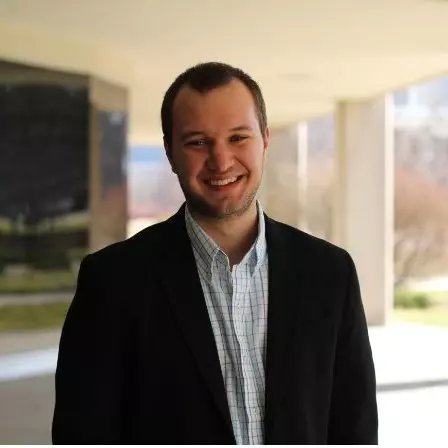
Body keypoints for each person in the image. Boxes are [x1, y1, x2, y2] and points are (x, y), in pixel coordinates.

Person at [52, 62, 378, 445]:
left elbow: (354, 430)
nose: (221, 161)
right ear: (171, 153)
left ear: (265, 140)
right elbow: (83, 435)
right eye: (197, 142)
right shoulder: (111, 282)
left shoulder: (330, 273)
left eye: (238, 137)